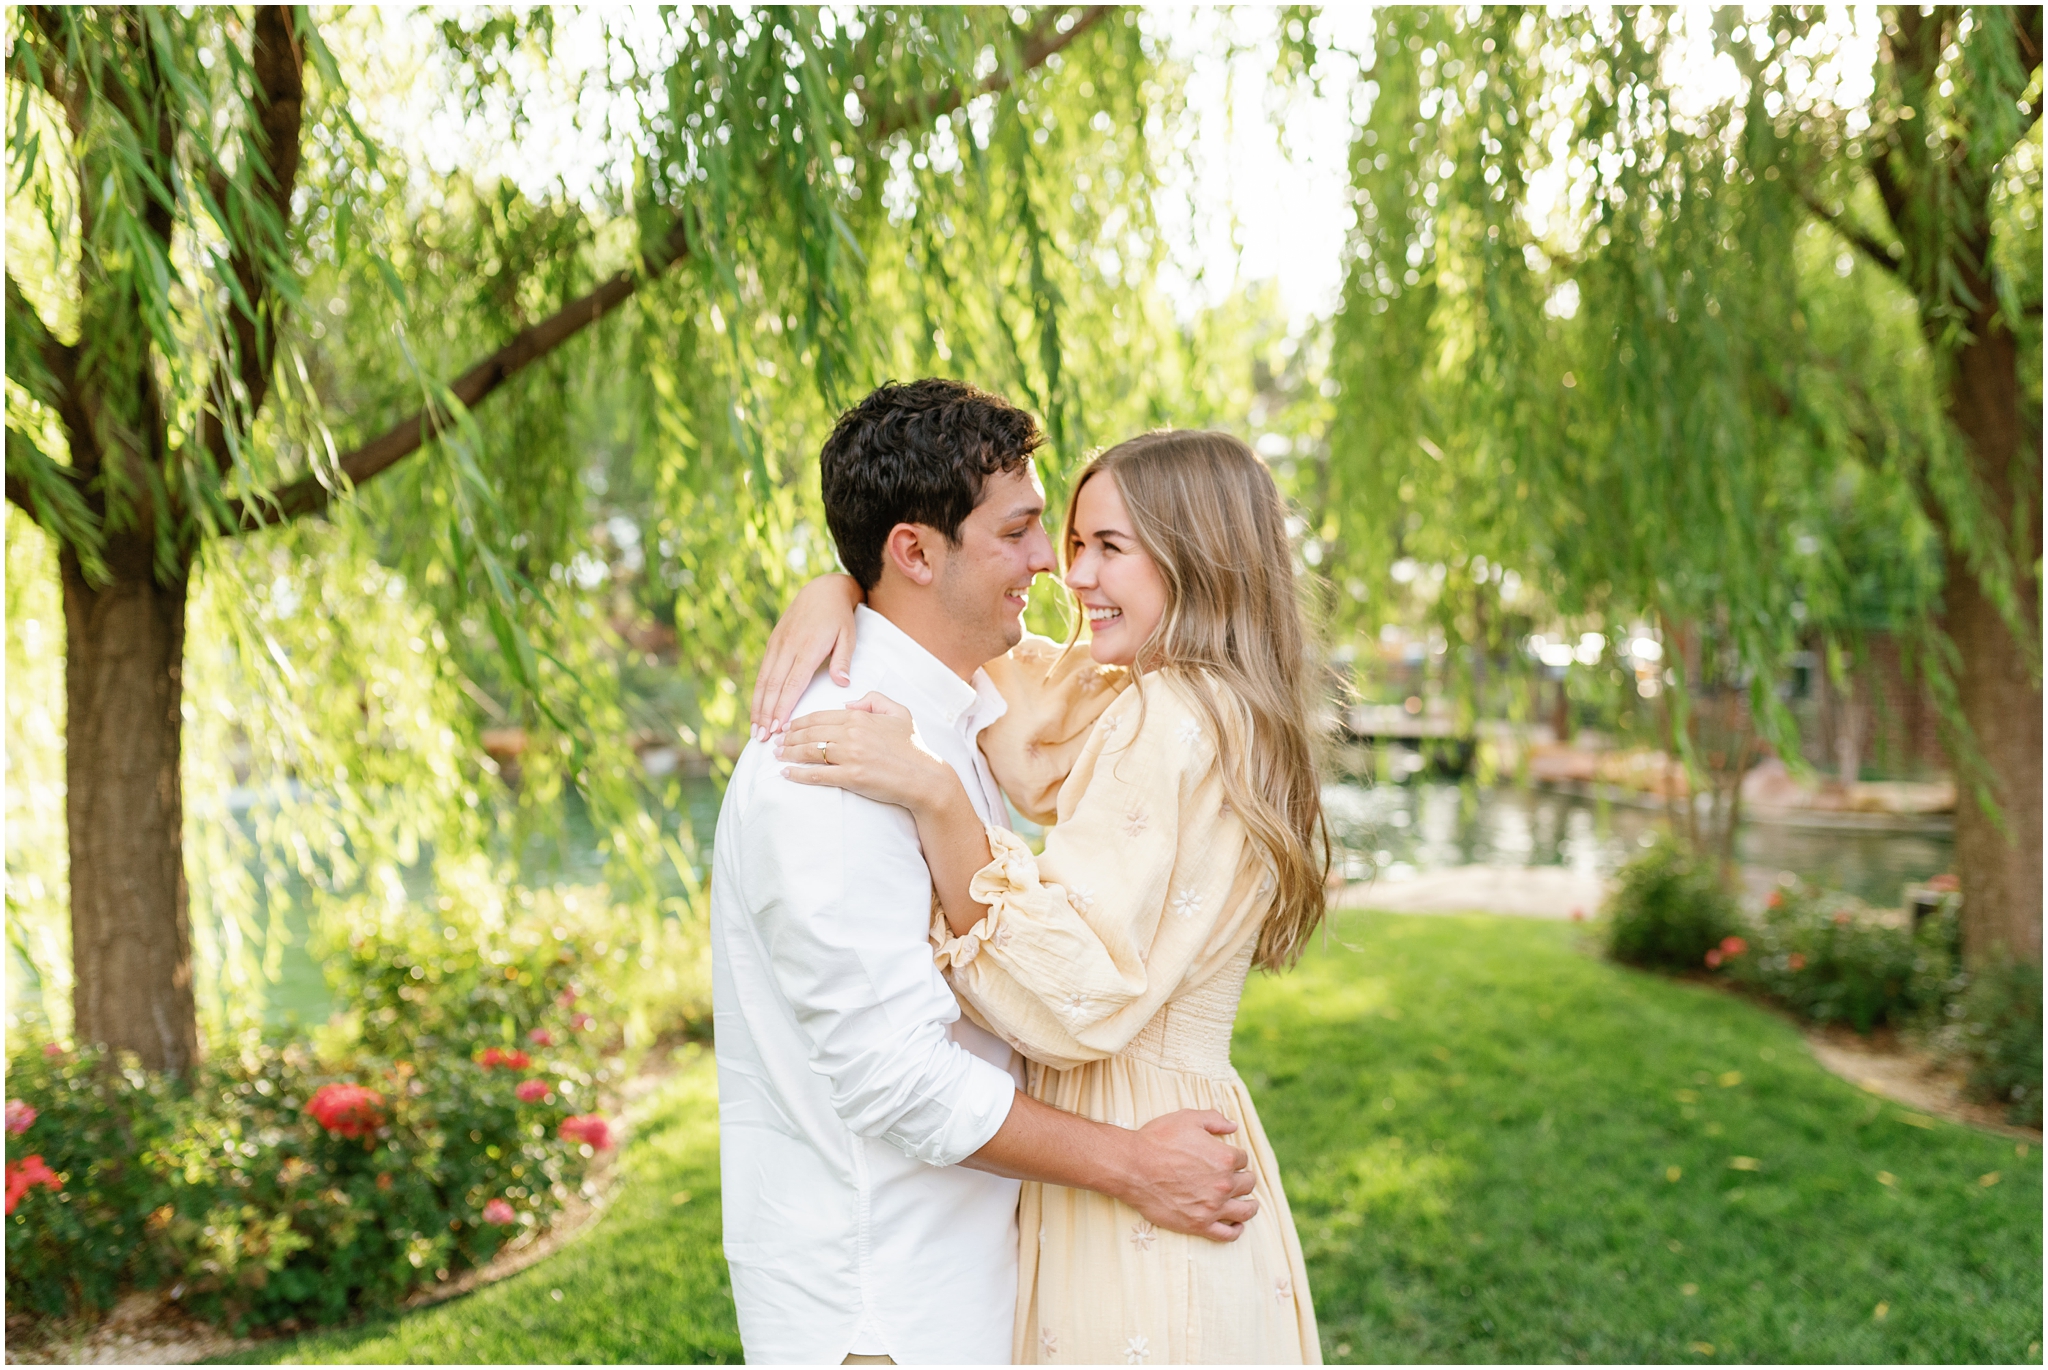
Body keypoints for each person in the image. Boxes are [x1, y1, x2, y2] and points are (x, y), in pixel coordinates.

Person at [712, 382, 1262, 1366]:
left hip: (959, 1288)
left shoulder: (953, 713)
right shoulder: (835, 761)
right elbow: (897, 1079)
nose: (1048, 563)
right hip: (881, 1316)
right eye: (1019, 532)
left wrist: (840, 583)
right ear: (916, 551)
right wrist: (1133, 1163)